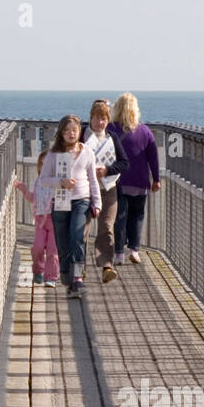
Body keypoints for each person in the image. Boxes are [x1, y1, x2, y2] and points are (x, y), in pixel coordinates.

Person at [37, 114, 101, 295]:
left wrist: (97, 202)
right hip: (60, 201)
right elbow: (43, 180)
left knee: (77, 236)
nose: (71, 134)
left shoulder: (87, 152)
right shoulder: (53, 154)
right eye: (67, 131)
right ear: (61, 134)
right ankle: (66, 274)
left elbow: (93, 179)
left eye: (74, 130)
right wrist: (61, 182)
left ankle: (78, 278)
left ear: (79, 130)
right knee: (63, 244)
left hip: (82, 199)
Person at [108, 93, 161, 265]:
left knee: (120, 217)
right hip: (140, 181)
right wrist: (156, 179)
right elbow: (153, 157)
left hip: (119, 180)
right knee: (137, 216)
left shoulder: (111, 129)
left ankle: (118, 254)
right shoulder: (145, 131)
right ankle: (135, 250)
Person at [81, 99, 128, 282]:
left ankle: (107, 266)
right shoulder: (82, 136)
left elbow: (124, 163)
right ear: (91, 117)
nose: (100, 122)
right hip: (85, 189)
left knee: (107, 227)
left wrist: (107, 170)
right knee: (82, 229)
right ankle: (79, 269)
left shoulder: (112, 138)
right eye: (97, 118)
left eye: (104, 119)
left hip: (108, 188)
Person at [13, 151, 59, 287]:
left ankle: (51, 276)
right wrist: (24, 190)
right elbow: (33, 198)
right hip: (40, 220)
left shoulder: (58, 182)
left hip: (55, 219)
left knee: (52, 250)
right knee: (37, 248)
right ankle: (38, 271)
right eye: (42, 165)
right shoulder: (38, 181)